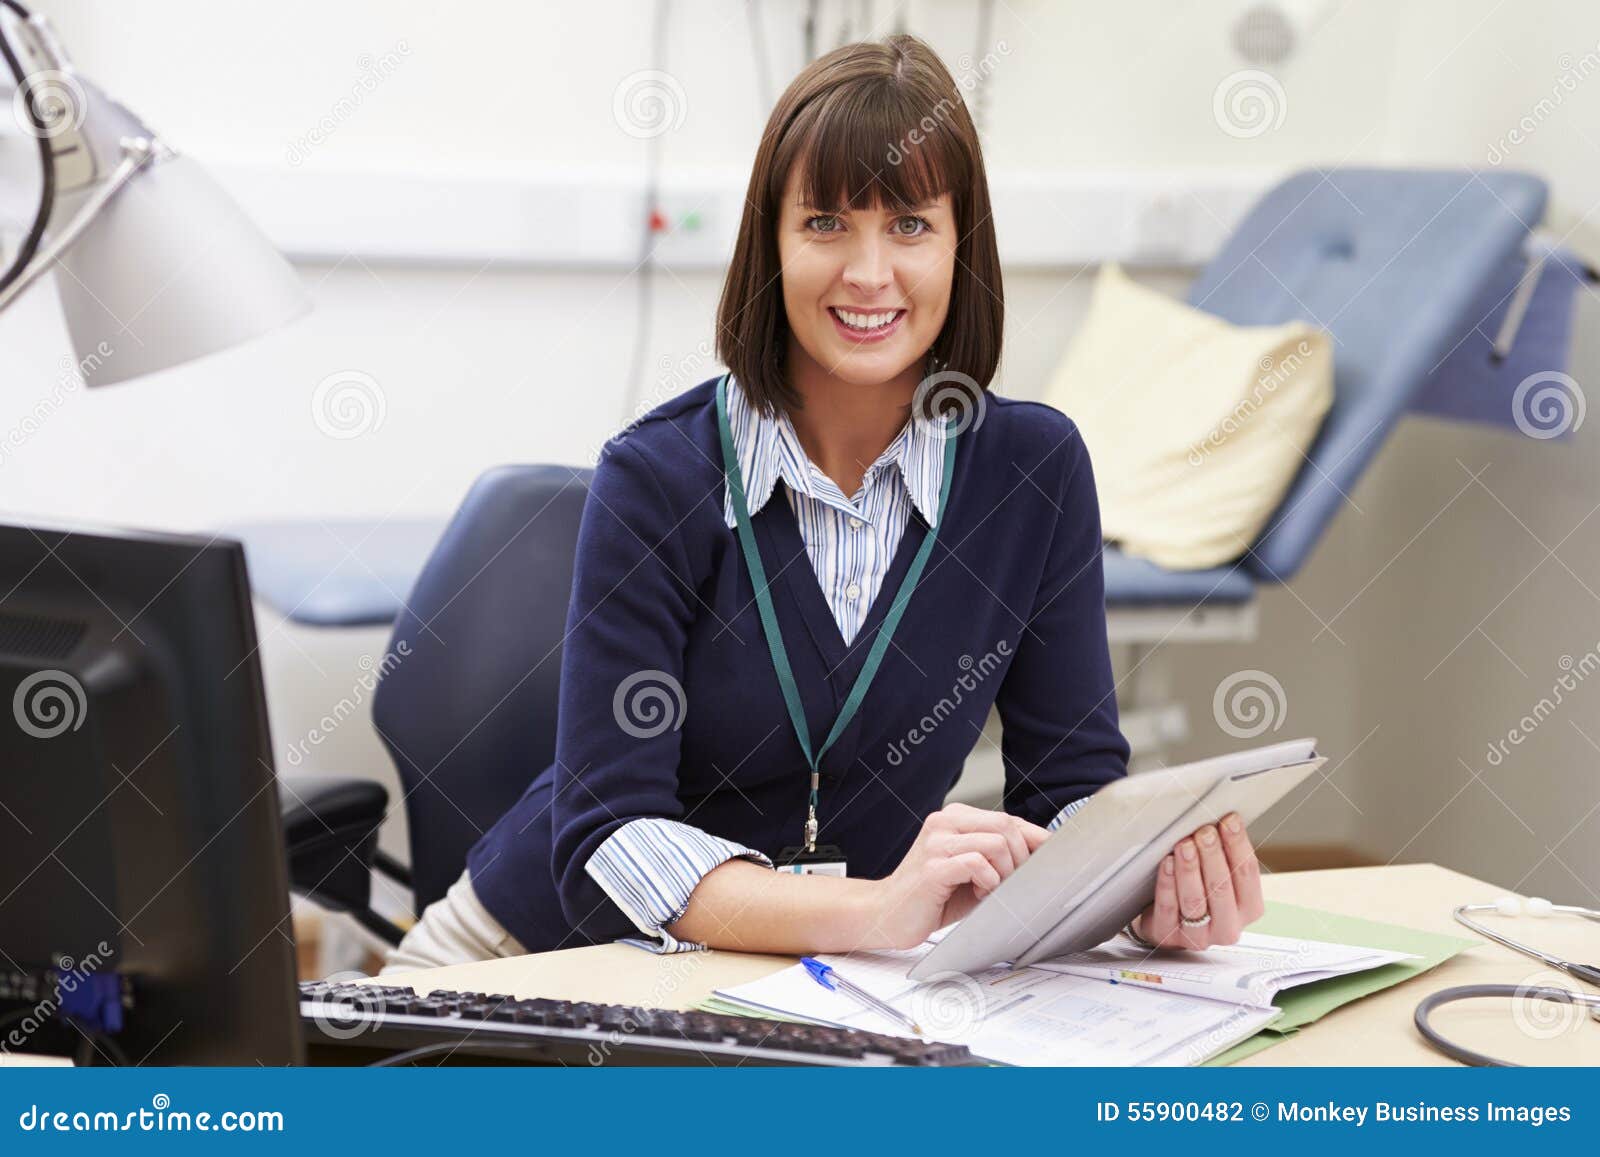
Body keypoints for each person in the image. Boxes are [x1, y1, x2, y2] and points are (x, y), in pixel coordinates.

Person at [384, 33, 1263, 972]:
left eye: (912, 225)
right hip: (538, 956)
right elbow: (612, 837)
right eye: (826, 223)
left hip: (812, 978)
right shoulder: (658, 478)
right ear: (770, 243)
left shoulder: (1033, 473)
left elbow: (1070, 788)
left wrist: (1146, 882)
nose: (870, 271)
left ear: (964, 244)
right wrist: (878, 908)